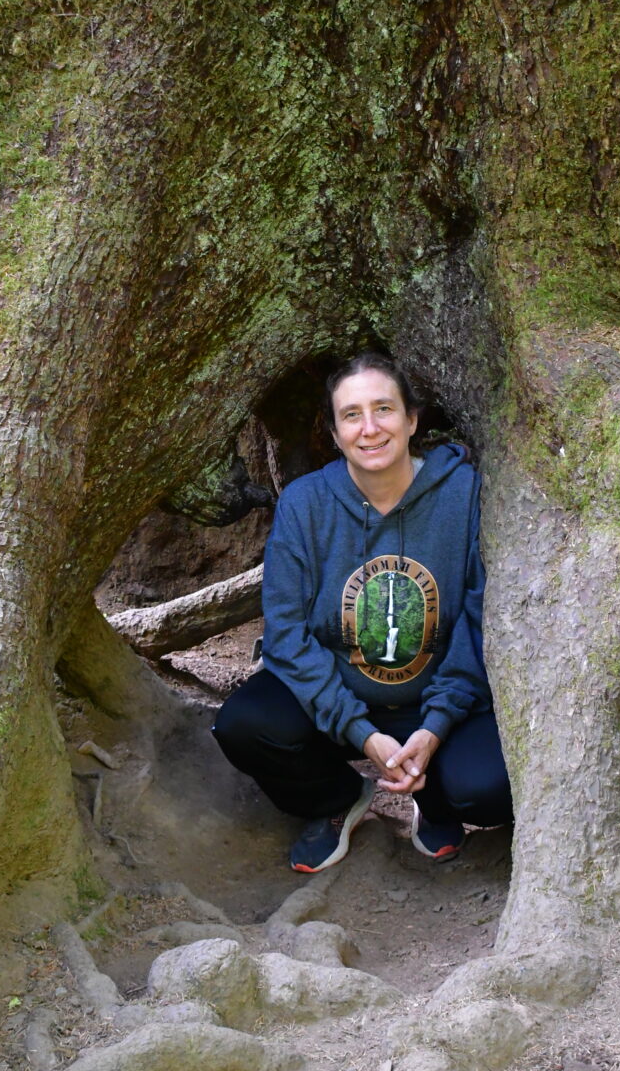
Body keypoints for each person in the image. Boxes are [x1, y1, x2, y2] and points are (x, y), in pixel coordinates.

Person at [212, 352, 512, 872]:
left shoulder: (465, 496)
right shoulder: (304, 505)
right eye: (352, 414)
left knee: (490, 790)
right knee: (244, 725)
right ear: (333, 431)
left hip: (438, 702)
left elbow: (478, 619)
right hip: (341, 697)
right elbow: (286, 636)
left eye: (384, 409)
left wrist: (436, 725)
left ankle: (434, 798)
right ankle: (335, 799)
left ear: (412, 419)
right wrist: (361, 733)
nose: (370, 428)